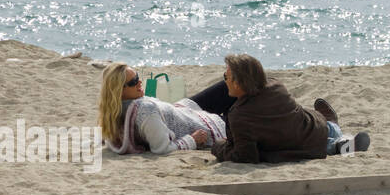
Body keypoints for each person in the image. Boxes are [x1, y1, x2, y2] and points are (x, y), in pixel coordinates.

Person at [212, 53, 370, 164]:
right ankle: (340, 139)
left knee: (326, 139)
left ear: (238, 83)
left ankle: (338, 141)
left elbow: (245, 157)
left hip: (299, 149)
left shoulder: (239, 115)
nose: (224, 80)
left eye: (226, 77)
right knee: (326, 129)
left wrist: (218, 147)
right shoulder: (276, 86)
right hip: (313, 130)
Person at [98, 63, 228, 155]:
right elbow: (162, 148)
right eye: (133, 82)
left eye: (137, 77)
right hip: (201, 124)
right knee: (234, 87)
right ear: (118, 90)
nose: (139, 82)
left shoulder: (112, 110)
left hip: (183, 109)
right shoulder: (145, 111)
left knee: (229, 83)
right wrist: (192, 139)